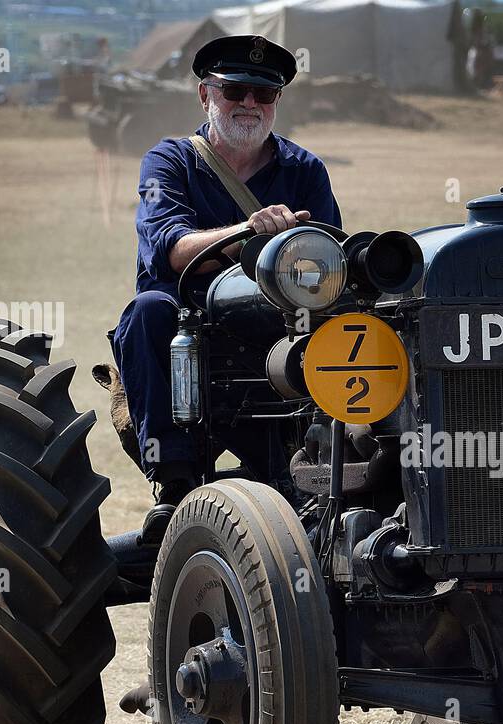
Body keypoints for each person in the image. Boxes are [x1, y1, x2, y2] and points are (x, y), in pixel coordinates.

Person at [111, 34, 341, 544]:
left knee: (348, 321)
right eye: (235, 91)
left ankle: (324, 472)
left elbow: (329, 267)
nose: (250, 104)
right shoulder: (169, 161)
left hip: (275, 328)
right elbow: (171, 249)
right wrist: (248, 235)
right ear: (205, 94)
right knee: (148, 309)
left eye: (265, 94)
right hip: (188, 326)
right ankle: (172, 483)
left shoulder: (305, 170)